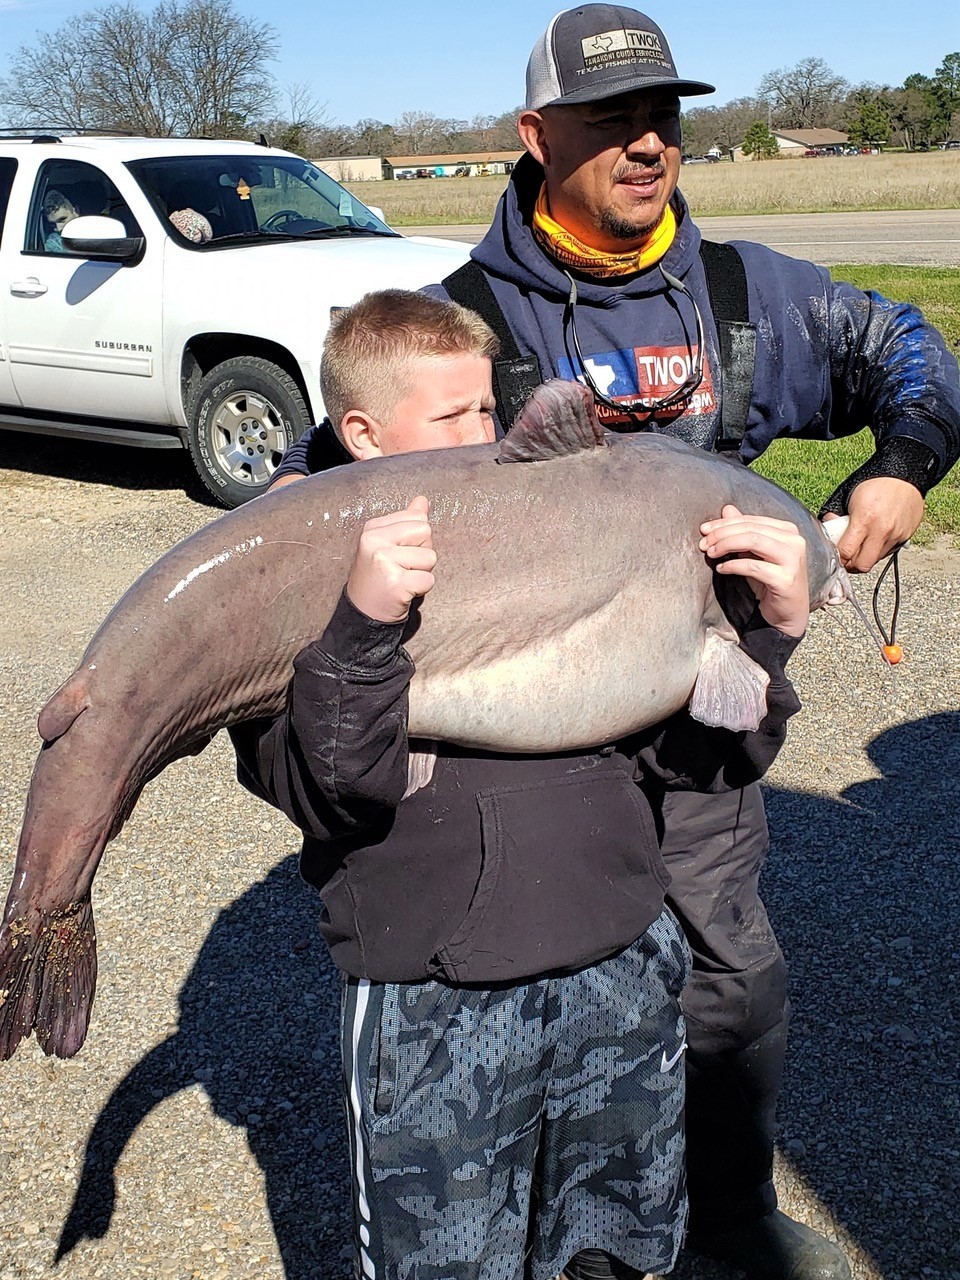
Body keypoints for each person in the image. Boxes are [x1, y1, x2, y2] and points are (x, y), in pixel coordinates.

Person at [271, 10, 960, 1278]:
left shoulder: (753, 298)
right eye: (609, 119)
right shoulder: (464, 325)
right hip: (531, 751)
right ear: (536, 138)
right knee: (530, 1030)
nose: (648, 141)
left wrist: (905, 466)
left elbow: (913, 349)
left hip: (701, 708)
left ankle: (724, 1215)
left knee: (729, 985)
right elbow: (316, 508)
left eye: (665, 115)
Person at [231, 288, 815, 1280]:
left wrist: (768, 633)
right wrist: (364, 631)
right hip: (434, 1001)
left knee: (616, 1247)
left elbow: (699, 763)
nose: (485, 433)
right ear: (363, 433)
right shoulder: (306, 576)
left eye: (486, 409)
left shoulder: (578, 542)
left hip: (621, 968)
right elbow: (328, 789)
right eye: (453, 415)